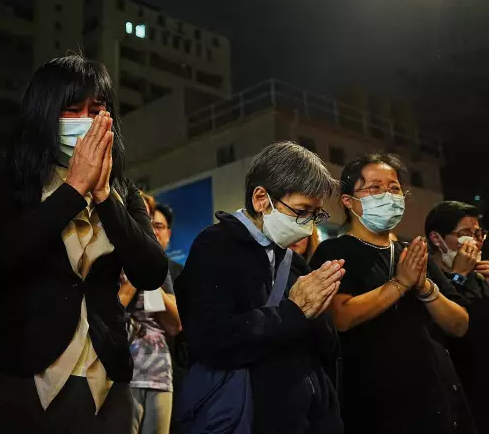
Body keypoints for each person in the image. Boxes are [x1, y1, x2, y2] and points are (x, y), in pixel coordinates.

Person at [0, 55, 168, 433]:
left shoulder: (123, 190)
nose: (87, 123)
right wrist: (74, 190)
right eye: (72, 110)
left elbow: (151, 269)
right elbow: (1, 261)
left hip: (104, 377)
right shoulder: (1, 176)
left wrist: (105, 195)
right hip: (21, 370)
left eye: (97, 110)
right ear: (44, 114)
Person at [175, 141, 344, 434]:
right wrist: (292, 312)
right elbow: (209, 339)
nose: (308, 225)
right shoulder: (215, 245)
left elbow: (320, 351)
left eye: (316, 215)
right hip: (245, 418)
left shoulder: (293, 260)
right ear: (261, 199)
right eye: (302, 211)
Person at [311, 153, 474, 434]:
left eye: (394, 187)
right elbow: (340, 317)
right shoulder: (334, 252)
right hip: (381, 411)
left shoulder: (412, 252)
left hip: (441, 402)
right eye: (375, 188)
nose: (388, 195)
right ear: (349, 201)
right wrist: (400, 284)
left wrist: (424, 288)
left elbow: (459, 324)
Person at [425, 201, 489, 433]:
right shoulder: (424, 277)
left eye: (478, 233)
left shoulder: (481, 279)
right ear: (436, 238)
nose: (475, 241)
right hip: (454, 395)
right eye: (465, 234)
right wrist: (458, 275)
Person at [118, 202, 182, 434]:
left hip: (158, 371)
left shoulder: (158, 266)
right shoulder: (110, 260)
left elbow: (175, 325)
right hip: (123, 374)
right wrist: (136, 278)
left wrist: (151, 277)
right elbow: (108, 315)